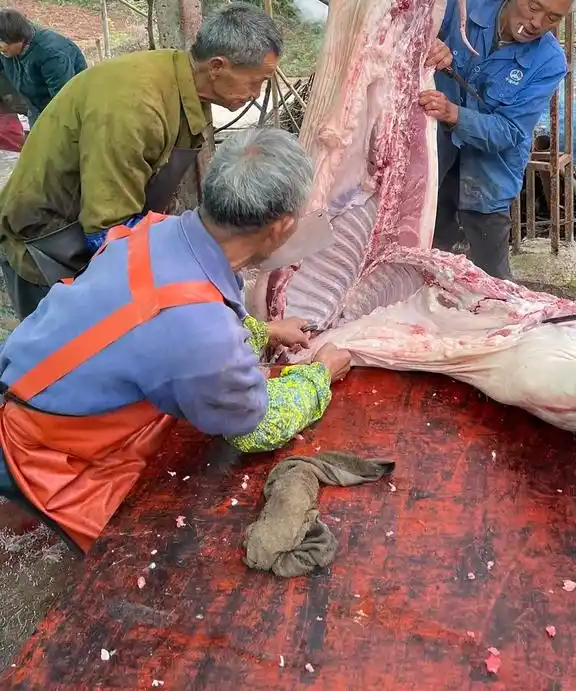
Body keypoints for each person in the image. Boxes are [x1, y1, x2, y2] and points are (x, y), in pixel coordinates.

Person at [0, 127, 351, 554]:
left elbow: (145, 328)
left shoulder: (154, 231)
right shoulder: (200, 331)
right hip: (48, 456)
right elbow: (256, 425)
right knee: (131, 569)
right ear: (282, 227)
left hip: (23, 390)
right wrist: (321, 375)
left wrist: (265, 331)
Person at [0, 1, 281, 321]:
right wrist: (195, 265)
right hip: (48, 246)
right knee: (63, 360)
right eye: (256, 80)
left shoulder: (182, 84)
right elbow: (108, 232)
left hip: (83, 239)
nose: (257, 94)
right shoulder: (136, 106)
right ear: (217, 66)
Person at [419, 0, 576, 279]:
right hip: (432, 164)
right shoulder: (460, 5)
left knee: (492, 283)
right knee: (423, 268)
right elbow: (404, 28)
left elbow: (510, 131)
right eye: (533, 6)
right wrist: (426, 42)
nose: (537, 23)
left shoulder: (550, 62)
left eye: (553, 18)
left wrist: (455, 114)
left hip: (488, 177)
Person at [0, 9, 86, 126]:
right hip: (35, 106)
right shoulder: (7, 50)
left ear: (19, 38)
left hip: (65, 109)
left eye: (2, 42)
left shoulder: (52, 54)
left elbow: (64, 101)